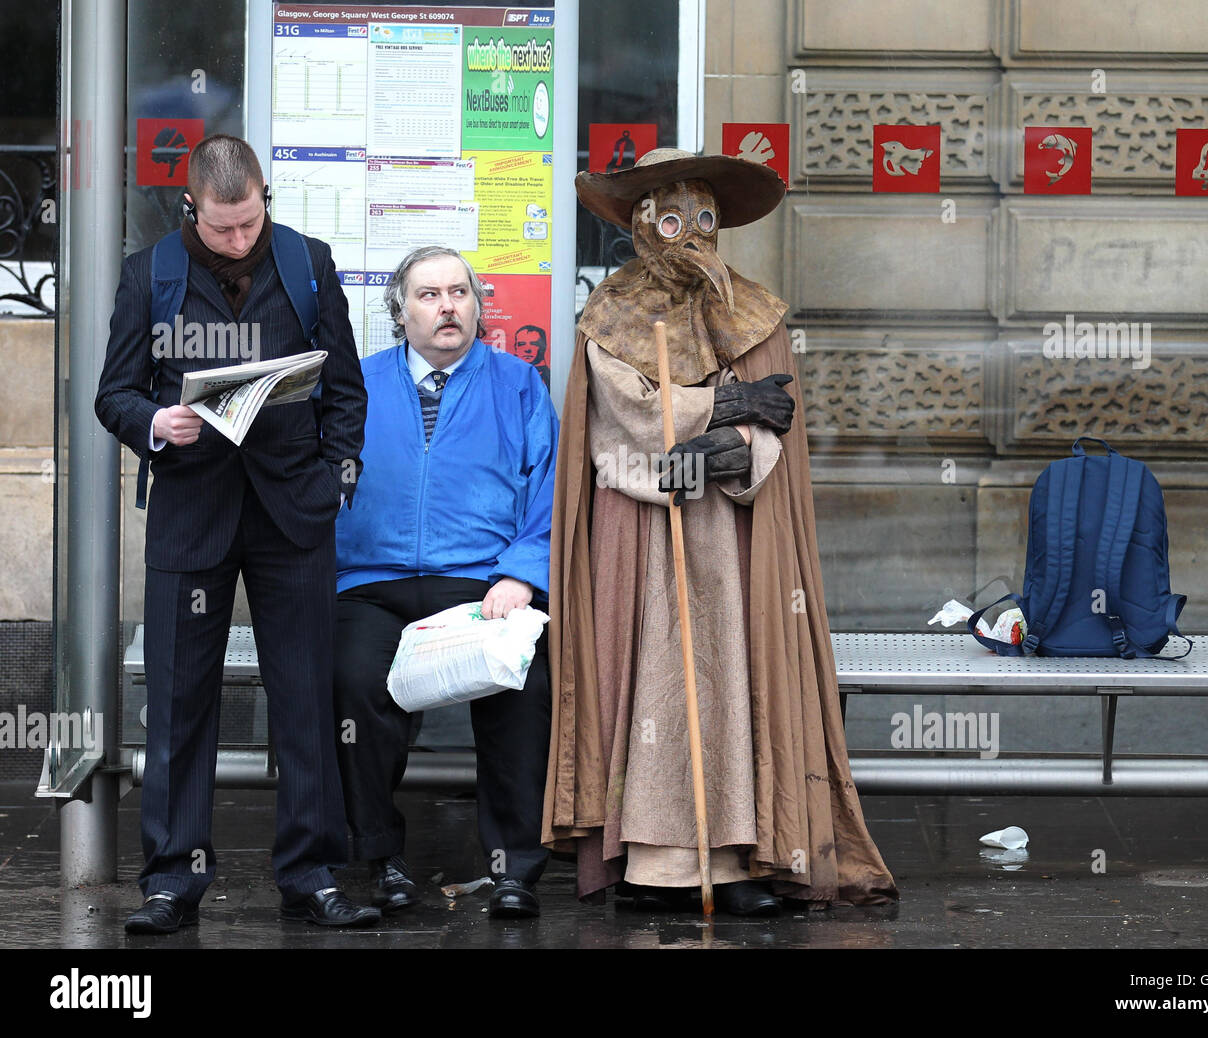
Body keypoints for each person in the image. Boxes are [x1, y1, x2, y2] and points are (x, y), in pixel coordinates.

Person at [542, 149, 899, 914]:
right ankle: (653, 865)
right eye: (673, 220)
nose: (692, 236)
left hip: (730, 533)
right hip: (639, 529)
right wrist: (725, 411)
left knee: (732, 683)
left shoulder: (756, 312)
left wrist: (733, 444)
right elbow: (630, 419)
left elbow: (780, 421)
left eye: (704, 219)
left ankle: (735, 861)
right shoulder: (608, 317)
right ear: (644, 227)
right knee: (649, 688)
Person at [96, 134, 377, 932]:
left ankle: (313, 872)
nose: (239, 239)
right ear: (193, 207)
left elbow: (346, 393)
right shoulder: (148, 274)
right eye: (222, 228)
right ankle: (171, 881)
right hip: (193, 514)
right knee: (181, 701)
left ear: (262, 200)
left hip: (295, 513)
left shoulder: (308, 262)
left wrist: (334, 478)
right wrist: (158, 421)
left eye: (250, 222)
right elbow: (114, 394)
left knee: (305, 697)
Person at [332, 245, 558, 919]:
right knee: (352, 683)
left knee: (524, 687)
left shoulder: (518, 385)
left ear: (479, 306)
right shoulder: (356, 384)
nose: (447, 306)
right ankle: (380, 860)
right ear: (400, 312)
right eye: (428, 295)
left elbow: (545, 492)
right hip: (371, 581)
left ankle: (514, 867)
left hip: (480, 581)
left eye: (459, 292)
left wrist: (522, 574)